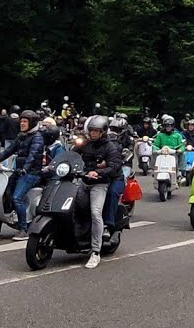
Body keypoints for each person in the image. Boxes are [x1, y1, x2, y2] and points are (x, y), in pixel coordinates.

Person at [74, 115, 122, 270]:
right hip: (83, 181)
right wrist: (53, 165)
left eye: (97, 131)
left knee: (95, 213)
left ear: (103, 131)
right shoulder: (85, 144)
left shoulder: (110, 147)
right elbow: (71, 156)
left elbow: (114, 166)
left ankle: (95, 252)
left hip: (100, 184)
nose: (93, 133)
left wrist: (98, 173)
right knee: (70, 206)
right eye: (92, 130)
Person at [0, 110, 45, 240]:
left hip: (32, 173)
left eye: (25, 121)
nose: (22, 124)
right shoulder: (22, 135)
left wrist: (26, 169)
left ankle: (23, 229)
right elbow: (10, 150)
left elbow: (33, 156)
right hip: (19, 171)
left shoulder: (37, 137)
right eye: (21, 121)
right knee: (3, 194)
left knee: (17, 198)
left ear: (32, 123)